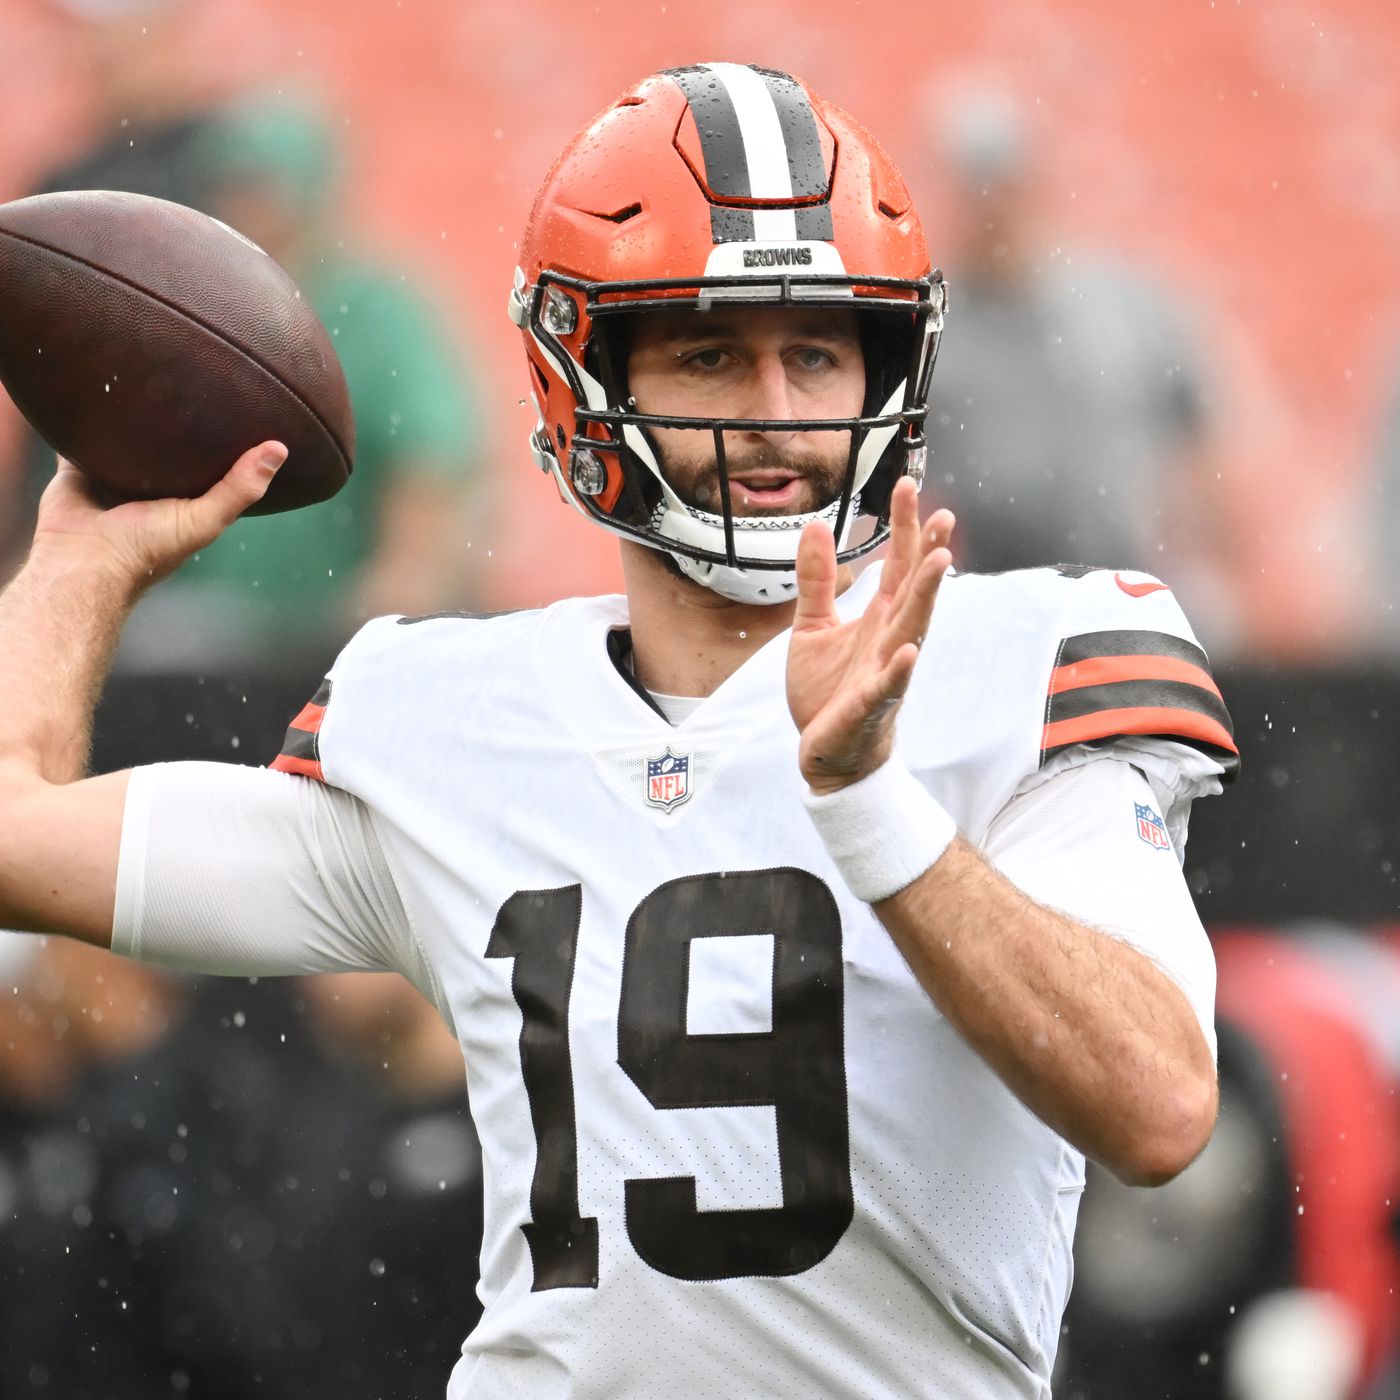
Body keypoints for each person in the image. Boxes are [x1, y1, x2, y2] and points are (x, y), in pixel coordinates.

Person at [0, 63, 1236, 1399]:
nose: (774, 412)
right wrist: (78, 562)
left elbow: (1157, 1104)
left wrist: (871, 800)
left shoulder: (1024, 665)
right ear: (580, 377)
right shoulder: (450, 723)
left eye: (816, 351)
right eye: (710, 350)